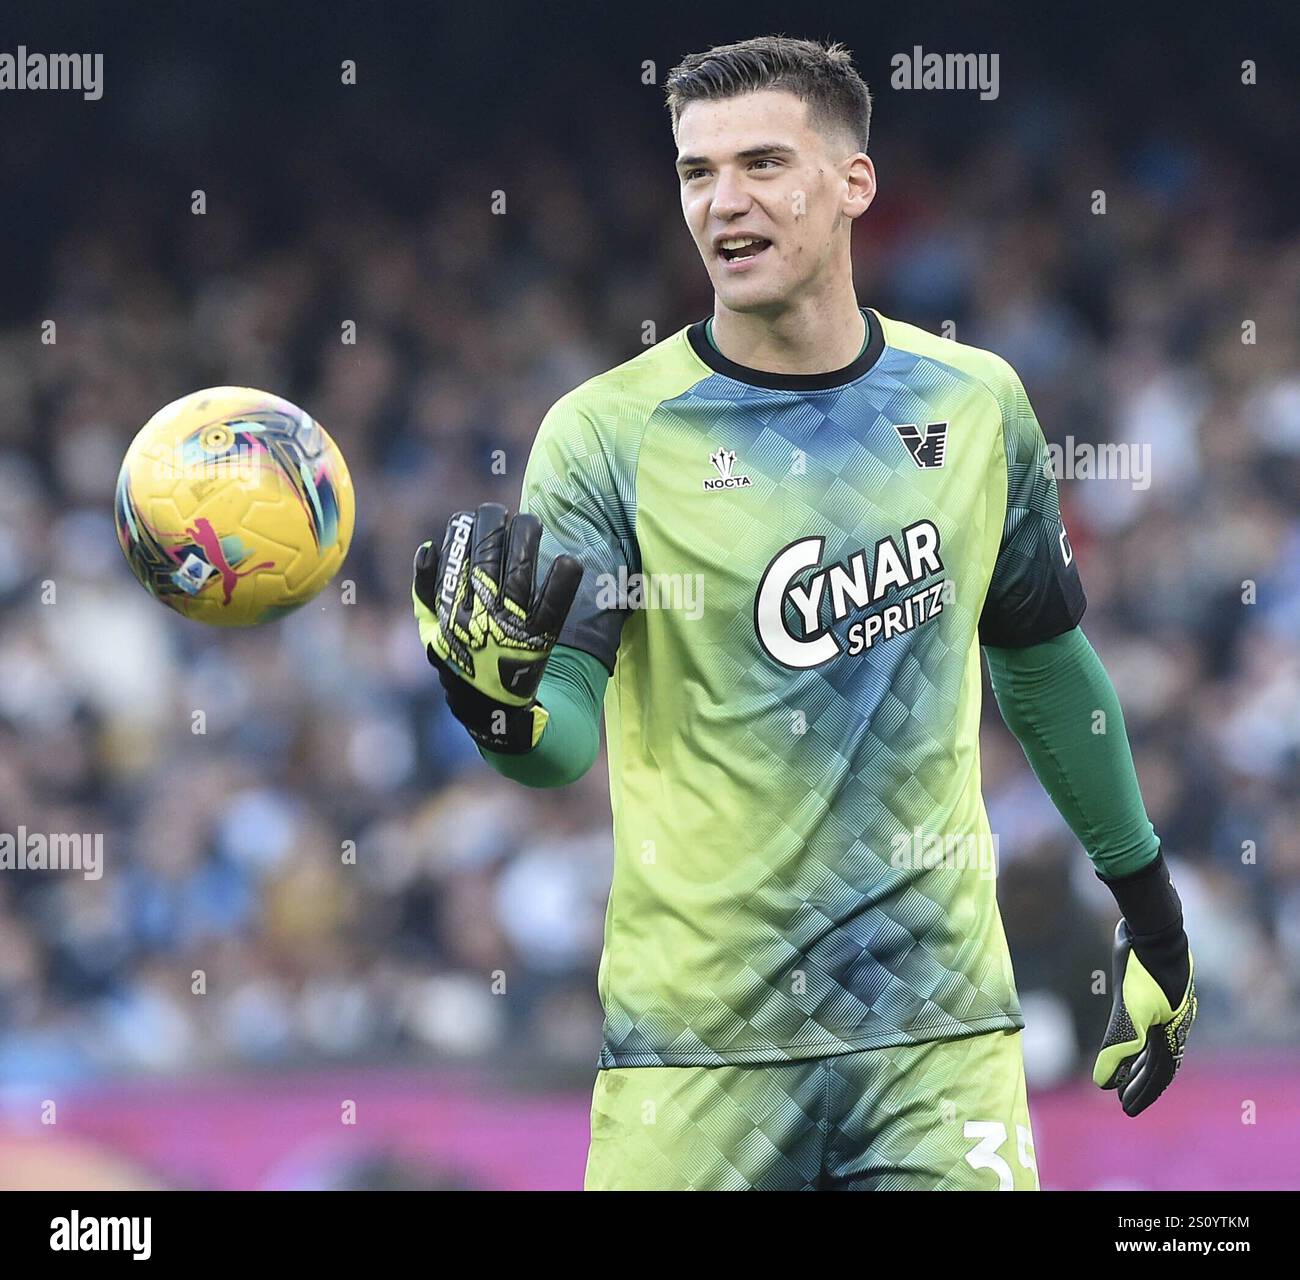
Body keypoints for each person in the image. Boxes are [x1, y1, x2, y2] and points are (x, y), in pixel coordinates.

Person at [411, 35, 1195, 1191]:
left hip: (938, 1033)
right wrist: (499, 712)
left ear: (852, 183)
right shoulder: (606, 434)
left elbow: (1039, 662)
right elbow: (563, 731)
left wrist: (1150, 907)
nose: (723, 202)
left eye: (764, 163)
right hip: (697, 1051)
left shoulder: (974, 404)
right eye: (694, 172)